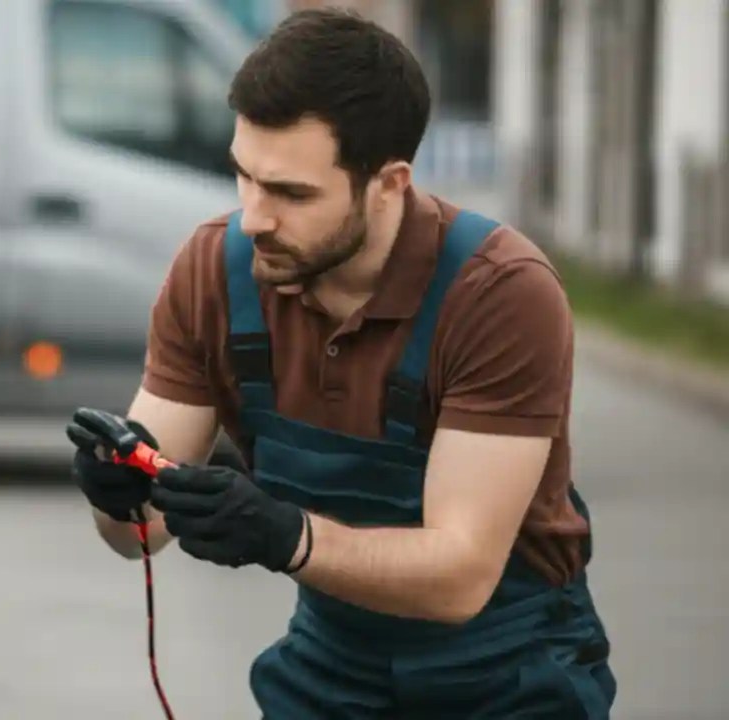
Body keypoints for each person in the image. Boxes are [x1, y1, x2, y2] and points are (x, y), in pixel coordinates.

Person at [68, 8, 615, 718]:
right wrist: (117, 497)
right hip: (329, 667)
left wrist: (288, 536)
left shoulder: (499, 292)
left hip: (508, 674)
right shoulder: (213, 269)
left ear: (389, 184)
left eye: (292, 193)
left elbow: (459, 578)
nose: (255, 217)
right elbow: (139, 534)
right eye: (245, 177)